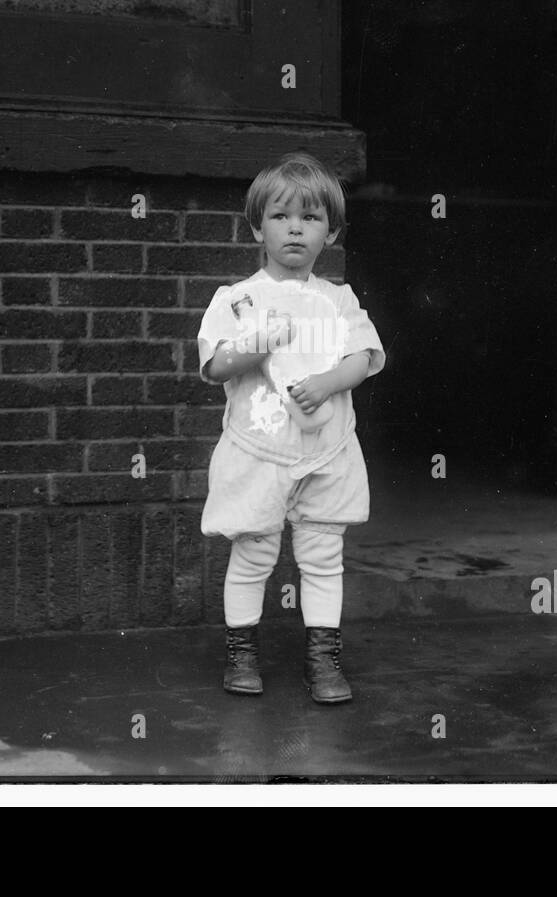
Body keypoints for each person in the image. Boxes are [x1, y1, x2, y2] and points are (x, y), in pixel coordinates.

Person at [197, 152, 385, 703]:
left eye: (311, 218)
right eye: (280, 217)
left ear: (331, 232)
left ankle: (323, 659)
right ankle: (242, 653)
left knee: (323, 555)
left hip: (325, 451)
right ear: (258, 227)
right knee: (254, 552)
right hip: (259, 449)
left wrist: (327, 383)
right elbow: (214, 366)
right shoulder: (237, 299)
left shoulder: (337, 299)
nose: (295, 228)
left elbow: (365, 356)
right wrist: (259, 340)